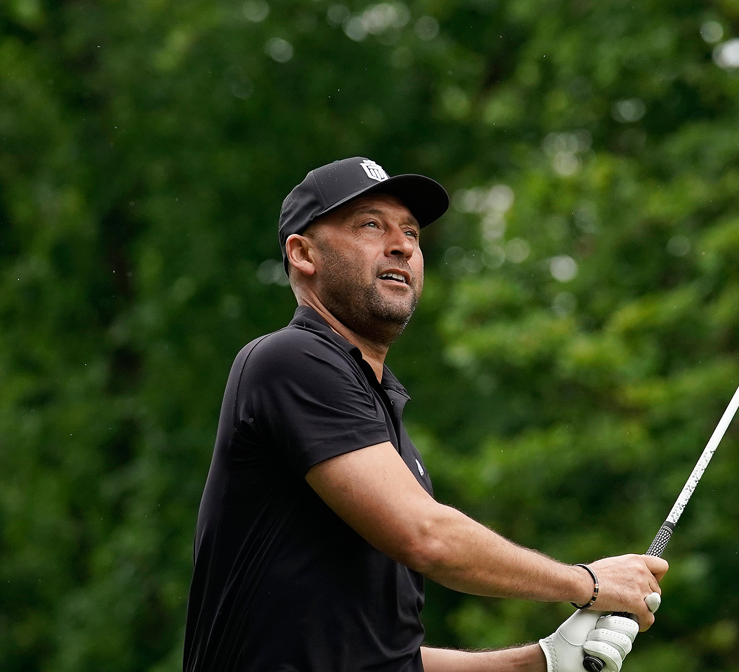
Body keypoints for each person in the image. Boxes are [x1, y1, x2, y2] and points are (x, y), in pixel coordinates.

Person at [184, 157, 668, 672]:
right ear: (303, 253)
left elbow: (384, 660)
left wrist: (545, 661)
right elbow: (428, 538)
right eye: (371, 224)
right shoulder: (291, 360)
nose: (403, 245)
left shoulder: (380, 417)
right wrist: (587, 585)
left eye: (411, 231)